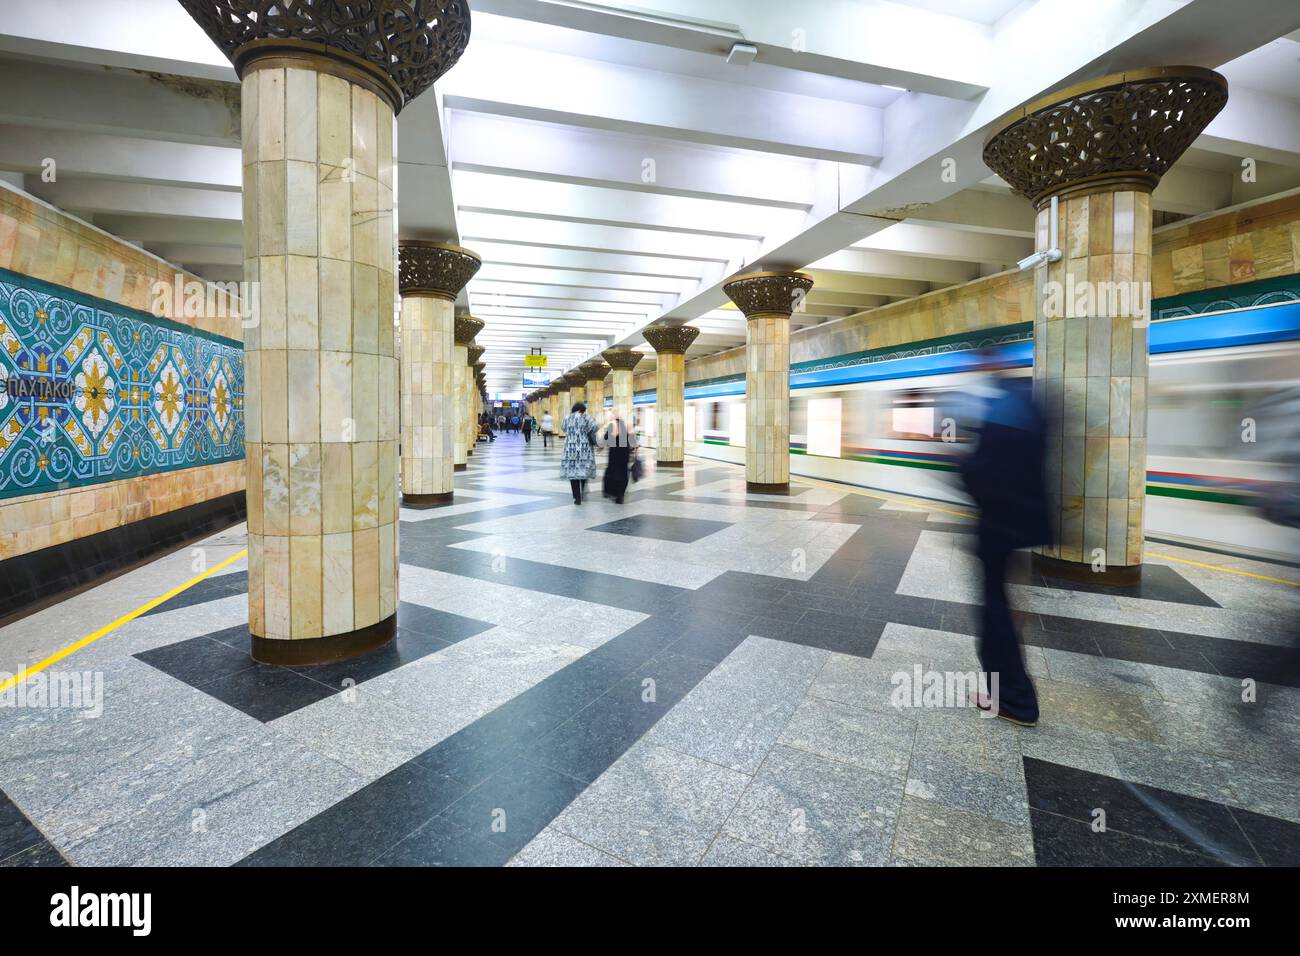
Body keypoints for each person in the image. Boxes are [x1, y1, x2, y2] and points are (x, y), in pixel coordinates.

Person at [959, 352, 1051, 727]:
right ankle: (1009, 693)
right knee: (1003, 605)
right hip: (1024, 524)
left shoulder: (1001, 410)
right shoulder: (1026, 400)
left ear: (987, 364)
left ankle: (1014, 699)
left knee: (993, 609)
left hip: (998, 525)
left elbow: (984, 472)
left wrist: (961, 465)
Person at [560, 401, 598, 504]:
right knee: (583, 470)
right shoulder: (586, 417)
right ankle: (583, 489)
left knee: (573, 474)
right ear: (582, 410)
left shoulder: (567, 418)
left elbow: (563, 428)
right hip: (584, 449)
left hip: (570, 449)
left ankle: (577, 498)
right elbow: (595, 427)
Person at [600, 407, 637, 504]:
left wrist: (601, 447)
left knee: (613, 471)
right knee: (623, 472)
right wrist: (634, 450)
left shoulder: (612, 425)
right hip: (624, 453)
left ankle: (613, 492)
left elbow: (606, 438)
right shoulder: (628, 425)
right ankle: (621, 494)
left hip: (614, 453)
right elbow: (633, 441)